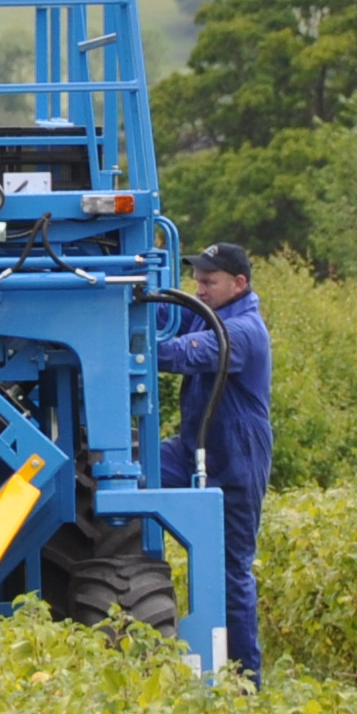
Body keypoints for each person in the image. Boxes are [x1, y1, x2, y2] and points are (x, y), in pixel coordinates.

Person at [154, 242, 273, 677]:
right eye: (197, 281)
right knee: (134, 471)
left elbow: (182, 352)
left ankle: (245, 681)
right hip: (193, 449)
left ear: (238, 283)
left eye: (209, 282)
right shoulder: (206, 313)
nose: (199, 289)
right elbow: (164, 318)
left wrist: (131, 347)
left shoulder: (243, 331)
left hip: (237, 459)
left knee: (230, 572)